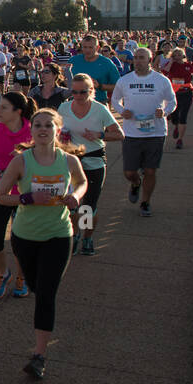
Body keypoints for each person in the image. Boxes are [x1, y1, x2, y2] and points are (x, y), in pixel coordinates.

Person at [0, 109, 88, 379]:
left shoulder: (69, 161)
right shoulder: (20, 162)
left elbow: (82, 182)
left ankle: (39, 355)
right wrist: (26, 199)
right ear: (31, 130)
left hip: (59, 234)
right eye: (38, 125)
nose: (43, 129)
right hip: (25, 236)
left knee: (47, 293)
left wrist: (77, 196)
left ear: (58, 130)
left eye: (49, 125)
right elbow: (1, 196)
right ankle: (39, 342)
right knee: (36, 286)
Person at [57, 74, 123, 255]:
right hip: (70, 160)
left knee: (88, 205)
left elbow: (119, 134)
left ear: (91, 91)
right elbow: (55, 130)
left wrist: (99, 135)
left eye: (83, 92)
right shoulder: (63, 107)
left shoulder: (100, 110)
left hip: (94, 159)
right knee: (71, 202)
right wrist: (61, 137)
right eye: (74, 92)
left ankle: (87, 237)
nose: (78, 96)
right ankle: (75, 235)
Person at [110, 47, 176, 217]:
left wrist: (165, 112)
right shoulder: (125, 80)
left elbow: (172, 101)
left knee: (151, 170)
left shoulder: (161, 80)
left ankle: (145, 202)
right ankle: (135, 183)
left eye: (142, 58)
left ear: (149, 60)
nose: (138, 61)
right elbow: (115, 99)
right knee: (129, 172)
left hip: (156, 131)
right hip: (132, 132)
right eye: (136, 58)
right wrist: (121, 110)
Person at [0, 92, 33, 297]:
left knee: (21, 240)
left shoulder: (33, 130)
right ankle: (4, 272)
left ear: (18, 112)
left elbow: (47, 153)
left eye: (3, 107)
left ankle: (22, 275)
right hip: (0, 190)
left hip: (25, 191)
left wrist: (26, 153)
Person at [161, 48, 193, 149]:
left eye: (180, 54)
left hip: (187, 93)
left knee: (183, 116)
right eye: (176, 55)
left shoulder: (190, 65)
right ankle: (176, 126)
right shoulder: (171, 65)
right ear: (173, 56)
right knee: (175, 116)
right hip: (174, 94)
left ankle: (180, 140)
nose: (178, 56)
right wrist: (171, 62)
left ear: (184, 55)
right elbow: (164, 73)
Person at [69, 34, 119, 105]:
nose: (87, 50)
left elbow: (118, 86)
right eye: (85, 47)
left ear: (97, 48)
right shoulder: (73, 61)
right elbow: (63, 80)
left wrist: (100, 86)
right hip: (75, 104)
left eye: (90, 47)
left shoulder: (107, 63)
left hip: (99, 103)